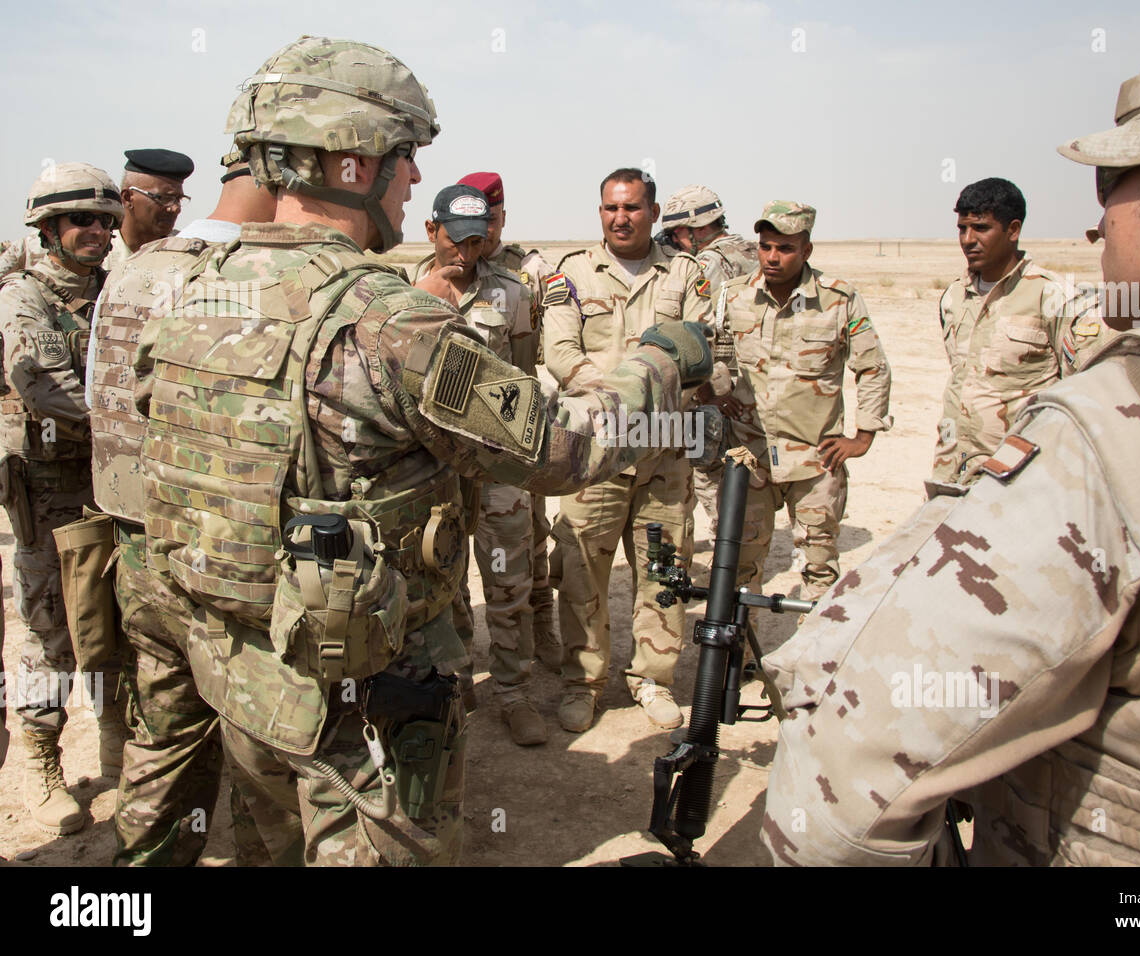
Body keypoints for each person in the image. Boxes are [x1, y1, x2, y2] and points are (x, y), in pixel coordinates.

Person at [136, 36, 711, 866]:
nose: (413, 179)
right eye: (403, 155)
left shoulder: (193, 290)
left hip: (239, 680)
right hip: (365, 698)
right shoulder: (387, 318)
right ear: (348, 164)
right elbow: (555, 448)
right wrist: (660, 360)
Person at [761, 4, 1140, 867]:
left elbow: (839, 804)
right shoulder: (955, 303)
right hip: (964, 490)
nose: (1101, 221)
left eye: (1109, 183)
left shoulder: (1126, 425)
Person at [89, 149, 291, 865]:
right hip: (219, 553)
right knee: (261, 741)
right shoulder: (244, 277)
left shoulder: (134, 271)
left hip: (138, 546)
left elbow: (100, 402)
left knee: (164, 736)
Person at [543, 168, 712, 732]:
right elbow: (562, 353)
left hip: (663, 455)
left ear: (654, 212)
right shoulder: (572, 274)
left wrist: (637, 396)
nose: (622, 218)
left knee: (663, 571)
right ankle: (583, 682)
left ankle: (652, 679)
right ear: (600, 214)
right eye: (612, 208)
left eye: (634, 208)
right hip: (595, 456)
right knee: (581, 572)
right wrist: (627, 397)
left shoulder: (685, 274)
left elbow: (701, 353)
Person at [0, 162, 127, 834]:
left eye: (106, 220)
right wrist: (135, 423)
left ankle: (115, 742)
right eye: (82, 220)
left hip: (112, 489)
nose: (98, 231)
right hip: (51, 497)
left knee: (122, 620)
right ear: (47, 227)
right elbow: (46, 388)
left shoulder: (116, 291)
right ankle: (42, 762)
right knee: (52, 633)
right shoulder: (23, 297)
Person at [411, 183, 548, 746]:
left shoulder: (513, 295)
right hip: (435, 467)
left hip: (496, 468)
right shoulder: (405, 292)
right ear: (431, 231)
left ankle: (514, 693)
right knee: (444, 579)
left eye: (477, 240)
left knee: (508, 581)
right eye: (456, 241)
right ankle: (459, 681)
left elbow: (523, 378)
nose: (467, 254)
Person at [721, 201, 892, 612]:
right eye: (765, 247)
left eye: (785, 248)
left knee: (819, 570)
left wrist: (863, 435)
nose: (772, 257)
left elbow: (872, 367)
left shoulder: (839, 299)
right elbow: (716, 358)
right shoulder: (735, 297)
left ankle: (813, 667)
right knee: (740, 572)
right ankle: (743, 664)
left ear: (807, 250)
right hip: (750, 456)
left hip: (816, 461)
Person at [931, 177, 1108, 492]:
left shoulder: (1054, 297)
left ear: (1012, 230)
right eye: (962, 228)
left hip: (1018, 481)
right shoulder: (953, 298)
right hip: (953, 473)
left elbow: (1088, 393)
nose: (968, 239)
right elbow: (962, 378)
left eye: (981, 228)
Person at [456, 171, 562, 673]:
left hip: (511, 436)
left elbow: (525, 366)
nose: (485, 234)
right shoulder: (426, 275)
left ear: (502, 217)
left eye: (492, 221)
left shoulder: (527, 272)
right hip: (459, 449)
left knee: (531, 535)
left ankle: (540, 621)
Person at [661, 185, 760, 540]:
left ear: (697, 227)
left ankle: (728, 555)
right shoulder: (753, 251)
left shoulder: (707, 264)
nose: (674, 241)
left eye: (677, 233)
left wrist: (705, 394)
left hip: (717, 389)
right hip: (750, 387)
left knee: (708, 473)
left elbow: (700, 335)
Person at [103, 149, 194, 273]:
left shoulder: (186, 254)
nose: (175, 208)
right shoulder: (99, 255)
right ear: (127, 198)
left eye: (179, 199)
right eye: (163, 198)